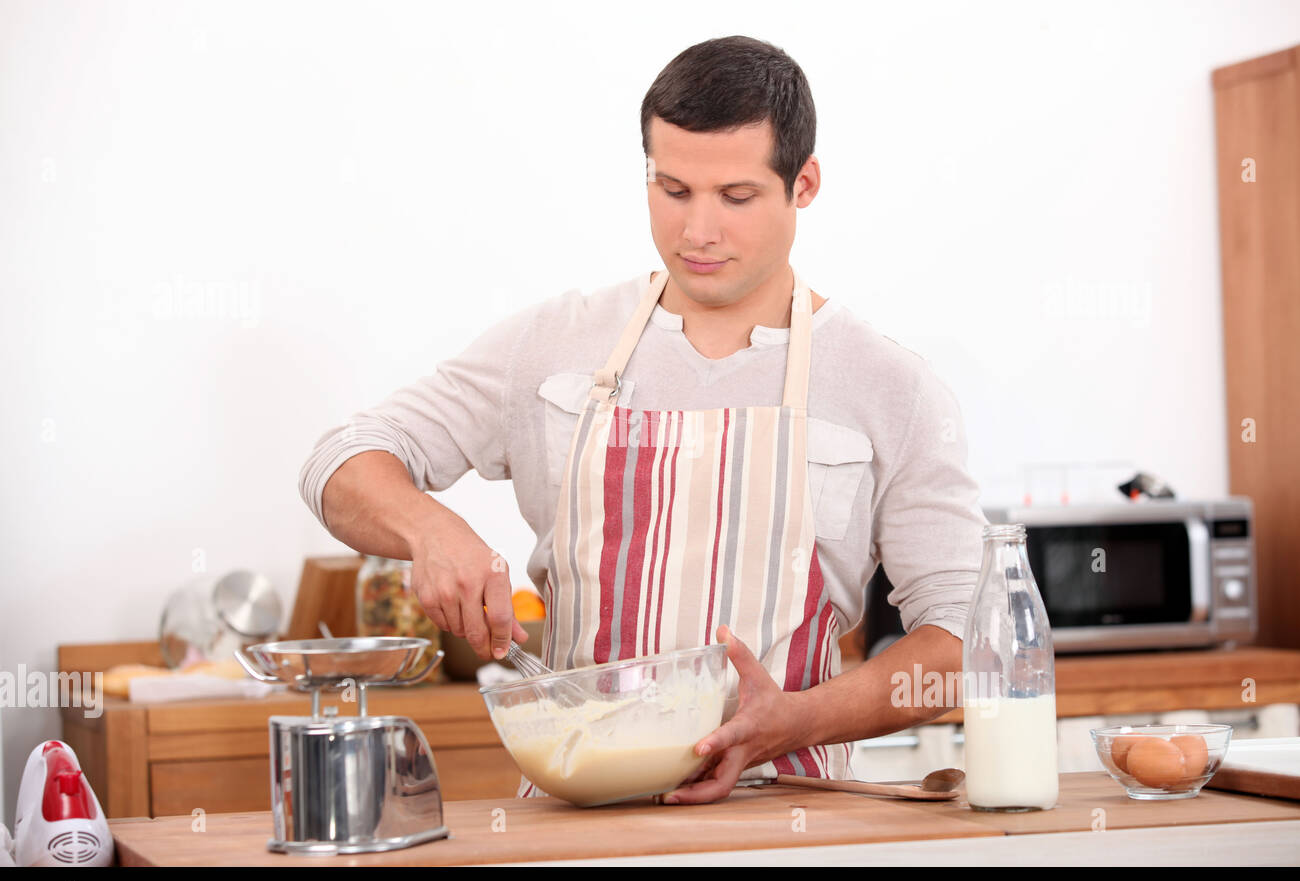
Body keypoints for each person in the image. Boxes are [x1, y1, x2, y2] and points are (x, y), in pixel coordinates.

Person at [298, 35, 986, 805]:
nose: (697, 231)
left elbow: (965, 644)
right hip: (575, 829)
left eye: (736, 196)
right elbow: (342, 459)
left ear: (804, 184)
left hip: (789, 825)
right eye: (673, 188)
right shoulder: (557, 342)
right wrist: (431, 531)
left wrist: (794, 720)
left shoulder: (891, 386)